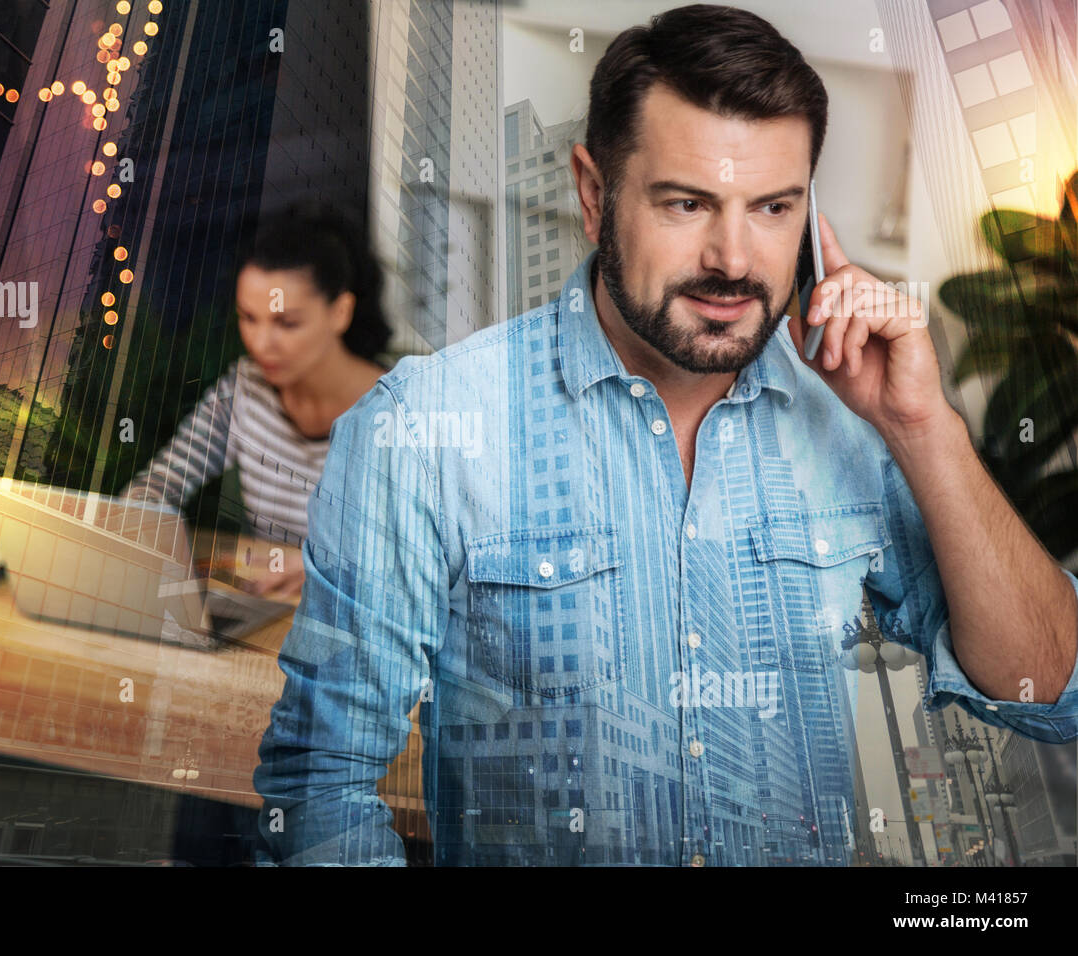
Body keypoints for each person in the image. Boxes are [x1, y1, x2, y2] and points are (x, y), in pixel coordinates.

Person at [253, 4, 1078, 866]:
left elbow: (1050, 689)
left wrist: (924, 428)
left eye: (772, 208)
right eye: (688, 203)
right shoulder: (429, 429)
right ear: (592, 193)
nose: (732, 257)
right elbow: (319, 789)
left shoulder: (857, 424)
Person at [122, 203, 390, 599]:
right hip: (268, 614)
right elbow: (161, 483)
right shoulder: (247, 386)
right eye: (249, 317)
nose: (262, 344)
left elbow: (438, 555)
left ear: (340, 312)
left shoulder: (403, 411)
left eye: (287, 322)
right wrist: (133, 526)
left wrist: (327, 565)